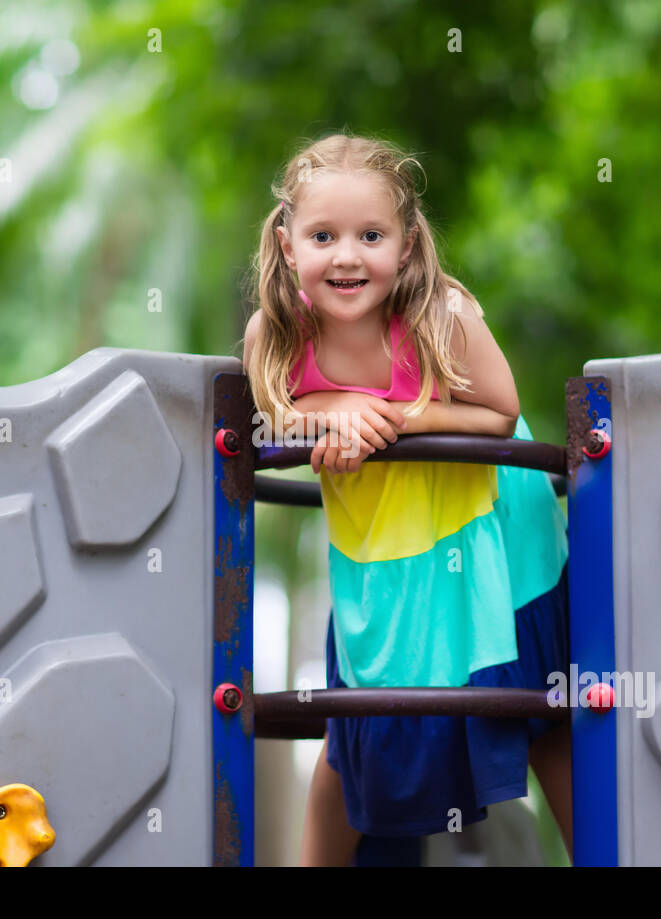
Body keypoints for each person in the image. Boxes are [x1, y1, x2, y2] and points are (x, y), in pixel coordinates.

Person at [240, 132, 572, 866]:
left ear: (408, 242)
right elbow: (268, 416)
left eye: (371, 235)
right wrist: (325, 415)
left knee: (548, 718)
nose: (348, 256)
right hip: (385, 548)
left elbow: (499, 409)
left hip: (491, 532)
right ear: (288, 245)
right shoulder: (277, 332)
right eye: (323, 236)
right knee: (352, 725)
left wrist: (401, 419)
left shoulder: (440, 314)